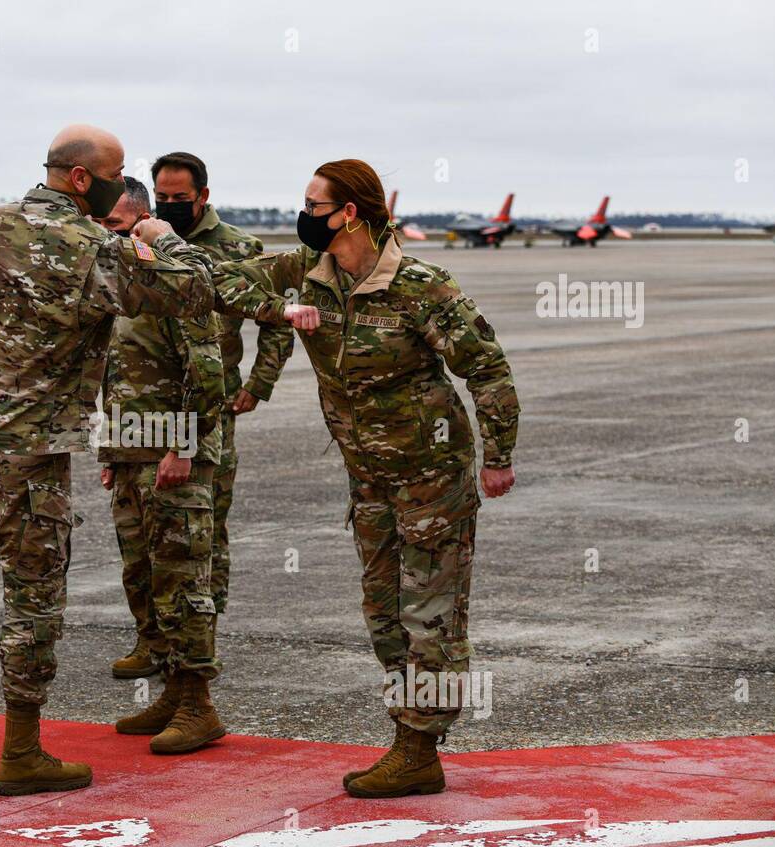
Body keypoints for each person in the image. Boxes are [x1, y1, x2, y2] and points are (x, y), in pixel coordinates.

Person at [0, 124, 217, 796]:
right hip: (30, 450)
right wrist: (162, 239)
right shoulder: (91, 247)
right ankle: (22, 749)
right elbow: (191, 291)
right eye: (116, 173)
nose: (122, 183)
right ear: (82, 178)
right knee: (34, 594)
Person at [215, 160, 520, 798]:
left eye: (312, 204)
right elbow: (221, 284)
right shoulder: (307, 272)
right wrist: (281, 309)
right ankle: (408, 733)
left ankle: (419, 747)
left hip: (431, 477)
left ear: (349, 212)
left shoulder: (419, 286)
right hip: (370, 480)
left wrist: (497, 458)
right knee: (384, 615)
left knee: (430, 616)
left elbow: (487, 371)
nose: (302, 215)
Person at [104, 152, 293, 679]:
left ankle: (196, 642)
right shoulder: (133, 244)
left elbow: (275, 320)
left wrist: (260, 383)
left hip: (206, 406)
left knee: (200, 531)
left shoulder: (236, 248)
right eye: (162, 198)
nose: (168, 206)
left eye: (179, 200)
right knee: (138, 537)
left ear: (202, 197)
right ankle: (152, 640)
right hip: (136, 415)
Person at [92, 179, 227, 753]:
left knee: (182, 581)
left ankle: (198, 703)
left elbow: (209, 372)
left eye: (119, 229)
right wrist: (110, 453)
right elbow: (111, 375)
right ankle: (172, 690)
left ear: (145, 223)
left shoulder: (173, 281)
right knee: (143, 578)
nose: (108, 239)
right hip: (131, 454)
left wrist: (184, 446)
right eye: (102, 228)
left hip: (174, 456)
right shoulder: (117, 283)